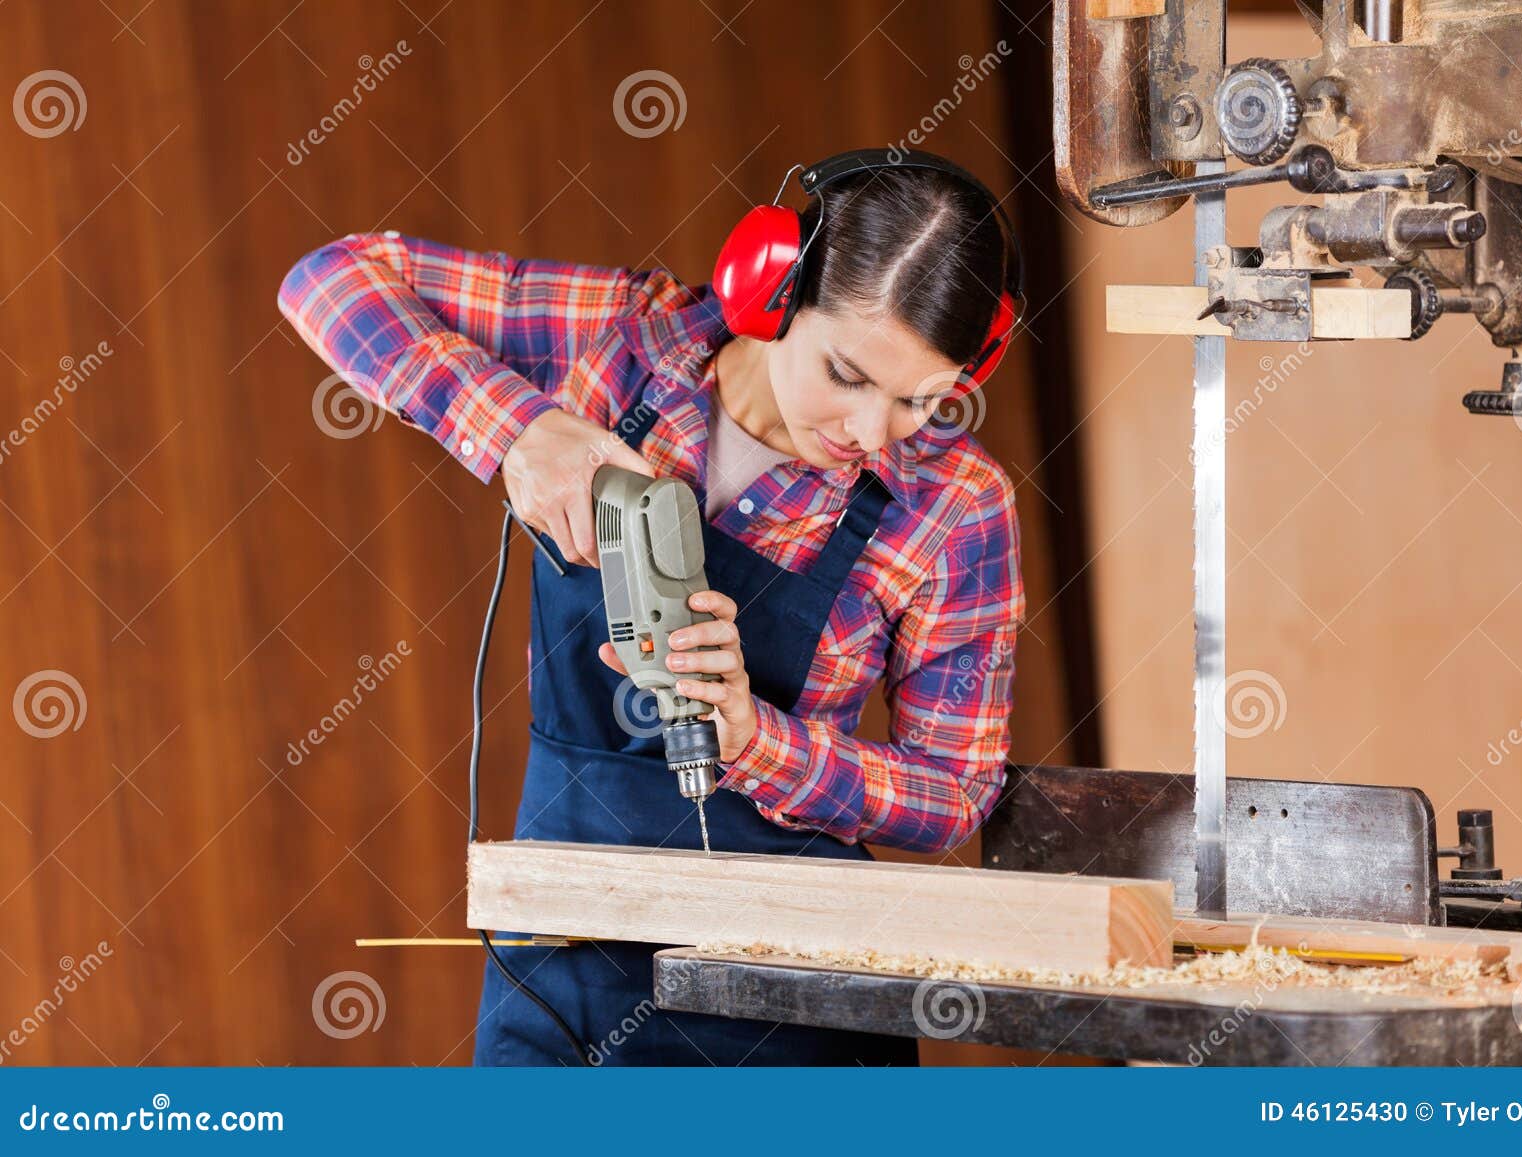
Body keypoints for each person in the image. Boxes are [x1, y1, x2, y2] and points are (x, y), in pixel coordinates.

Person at [277, 148, 1026, 1066]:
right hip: (561, 951)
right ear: (772, 292)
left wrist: (759, 743)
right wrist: (519, 428)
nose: (871, 434)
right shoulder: (628, 343)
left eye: (919, 401)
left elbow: (954, 792)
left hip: (789, 993)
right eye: (846, 374)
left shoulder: (955, 504)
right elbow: (330, 279)